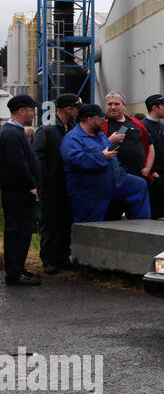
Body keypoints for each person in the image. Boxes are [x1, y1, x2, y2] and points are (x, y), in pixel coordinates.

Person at [61, 103, 151, 223]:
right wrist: (102, 156)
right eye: (100, 119)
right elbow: (77, 160)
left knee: (139, 185)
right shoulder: (72, 138)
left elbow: (111, 153)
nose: (103, 122)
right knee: (90, 225)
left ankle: (141, 227)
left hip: (115, 180)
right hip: (90, 189)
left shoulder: (100, 135)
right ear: (90, 119)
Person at [32, 93, 81, 272]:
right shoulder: (47, 129)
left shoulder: (73, 127)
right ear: (68, 109)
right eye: (77, 108)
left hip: (69, 184)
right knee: (51, 222)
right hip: (51, 186)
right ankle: (49, 259)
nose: (79, 111)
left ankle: (62, 256)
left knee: (66, 221)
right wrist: (44, 181)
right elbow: (38, 157)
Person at [1, 95, 43, 286]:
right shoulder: (11, 133)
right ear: (21, 111)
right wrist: (30, 185)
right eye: (31, 110)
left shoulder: (15, 131)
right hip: (18, 192)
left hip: (18, 191)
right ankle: (15, 272)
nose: (34, 113)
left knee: (21, 232)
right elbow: (17, 163)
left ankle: (18, 267)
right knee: (17, 231)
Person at [102, 91, 154, 185]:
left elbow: (149, 145)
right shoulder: (100, 125)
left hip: (138, 175)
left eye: (116, 104)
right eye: (109, 104)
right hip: (113, 178)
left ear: (124, 105)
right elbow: (94, 148)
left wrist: (148, 168)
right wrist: (109, 140)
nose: (113, 107)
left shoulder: (137, 124)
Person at [140, 94, 164, 219]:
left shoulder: (162, 126)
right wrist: (152, 171)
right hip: (154, 177)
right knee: (153, 211)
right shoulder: (143, 126)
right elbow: (143, 151)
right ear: (155, 107)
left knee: (162, 212)